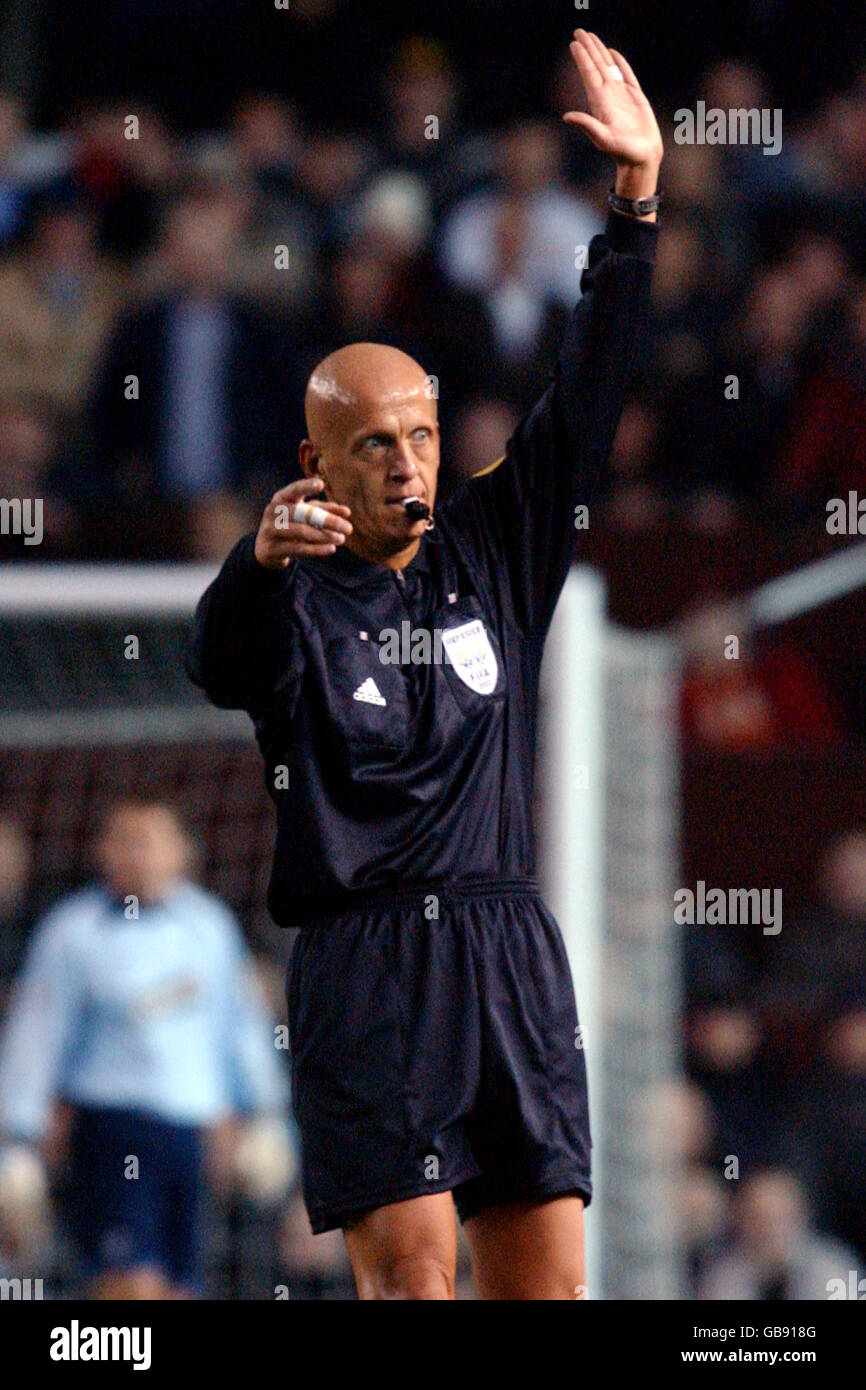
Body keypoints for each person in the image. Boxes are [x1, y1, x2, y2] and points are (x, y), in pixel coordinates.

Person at [187, 30, 663, 1300]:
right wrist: (257, 565)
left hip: (507, 945)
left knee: (550, 1291)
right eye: (376, 443)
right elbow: (214, 663)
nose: (407, 463)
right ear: (316, 454)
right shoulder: (287, 592)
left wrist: (634, 207)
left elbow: (590, 392)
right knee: (411, 1283)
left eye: (424, 434)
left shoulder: (498, 548)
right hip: (368, 964)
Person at [0, 799, 289, 1298]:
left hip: (197, 1136)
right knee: (129, 1282)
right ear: (102, 851)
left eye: (151, 840)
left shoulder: (211, 927)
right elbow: (36, 1037)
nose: (139, 854)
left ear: (182, 852)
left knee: (185, 1284)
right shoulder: (72, 932)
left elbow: (241, 1027)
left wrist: (267, 1116)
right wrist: (17, 1141)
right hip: (112, 1130)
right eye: (126, 840)